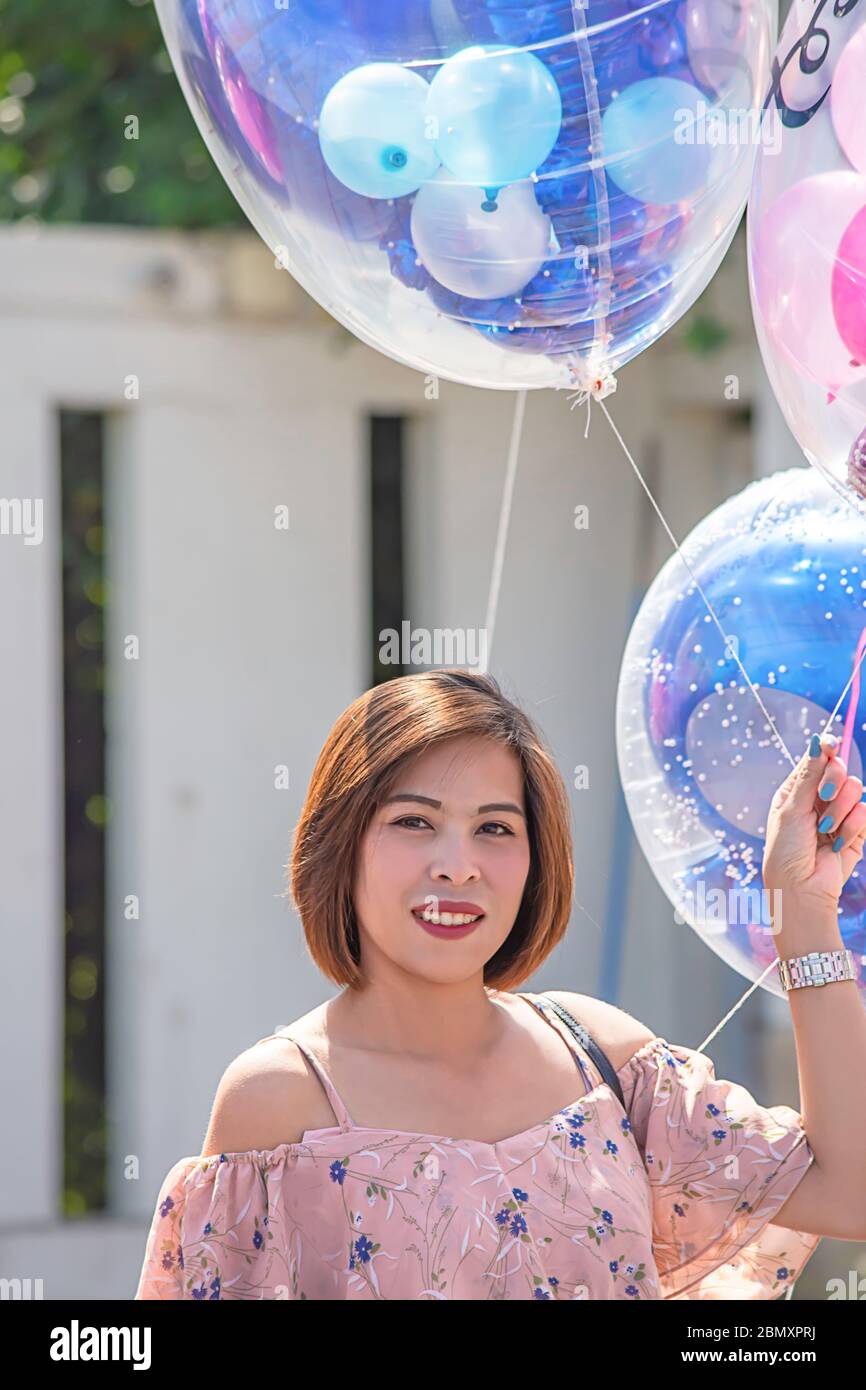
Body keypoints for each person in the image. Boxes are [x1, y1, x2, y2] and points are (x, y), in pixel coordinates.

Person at [134, 668, 866, 1300]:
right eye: (415, 822)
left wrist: (800, 909)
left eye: (495, 828)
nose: (458, 865)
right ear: (342, 845)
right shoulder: (278, 1101)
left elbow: (851, 1187)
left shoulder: (607, 1062)